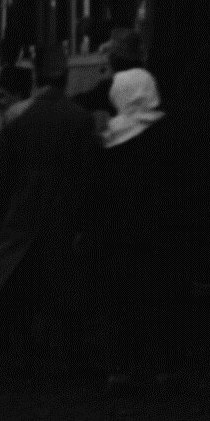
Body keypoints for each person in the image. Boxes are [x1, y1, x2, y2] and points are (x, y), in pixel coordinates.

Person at [0, 47, 99, 370]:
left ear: (36, 78)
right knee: (62, 283)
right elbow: (88, 173)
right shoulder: (80, 118)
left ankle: (18, 349)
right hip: (64, 210)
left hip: (22, 208)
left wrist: (10, 199)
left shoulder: (16, 115)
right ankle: (63, 354)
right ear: (66, 77)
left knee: (19, 282)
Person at [82, 66, 181, 387]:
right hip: (160, 232)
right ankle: (160, 366)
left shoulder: (108, 139)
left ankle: (119, 368)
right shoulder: (169, 134)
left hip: (115, 234)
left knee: (117, 300)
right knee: (157, 298)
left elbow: (94, 192)